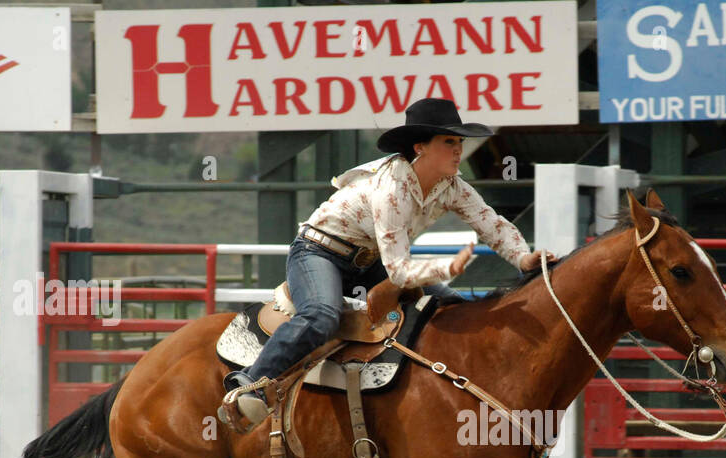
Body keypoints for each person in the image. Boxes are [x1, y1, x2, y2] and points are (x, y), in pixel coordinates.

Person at [220, 97, 555, 429]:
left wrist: (522, 257)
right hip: (318, 253)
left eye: (460, 141)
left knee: (448, 307)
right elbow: (398, 271)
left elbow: (490, 222)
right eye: (449, 141)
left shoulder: (452, 187)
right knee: (321, 315)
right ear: (421, 147)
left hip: (370, 262)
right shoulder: (391, 188)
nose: (458, 149)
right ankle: (249, 382)